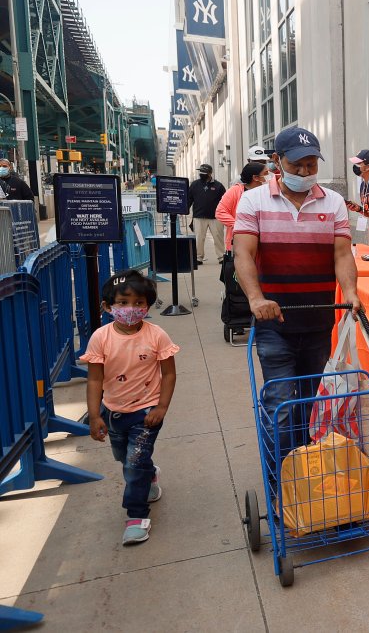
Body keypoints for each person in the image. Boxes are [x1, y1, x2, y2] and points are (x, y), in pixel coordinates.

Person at [233, 126, 361, 471]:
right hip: (273, 320)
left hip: (319, 319)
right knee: (281, 403)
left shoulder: (332, 202)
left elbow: (342, 255)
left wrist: (350, 293)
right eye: (296, 165)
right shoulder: (253, 200)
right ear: (277, 161)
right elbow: (242, 254)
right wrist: (256, 298)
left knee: (312, 402)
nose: (304, 173)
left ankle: (310, 477)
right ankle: (282, 483)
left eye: (311, 165)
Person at [82, 270, 180, 545]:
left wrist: (161, 407)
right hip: (113, 411)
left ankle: (137, 517)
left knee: (134, 464)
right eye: (124, 302)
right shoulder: (100, 338)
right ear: (107, 306)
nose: (131, 309)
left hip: (147, 413)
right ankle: (149, 475)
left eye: (139, 303)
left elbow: (169, 374)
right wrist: (94, 415)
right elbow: (95, 378)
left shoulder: (157, 335)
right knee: (125, 459)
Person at [216, 162, 268, 253]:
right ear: (255, 178)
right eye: (266, 174)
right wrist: (240, 225)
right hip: (241, 241)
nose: (269, 176)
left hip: (264, 241)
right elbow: (220, 212)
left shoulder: (267, 191)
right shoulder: (235, 191)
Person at [188, 164, 227, 264]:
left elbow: (225, 200)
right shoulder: (194, 185)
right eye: (200, 172)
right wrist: (185, 209)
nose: (202, 174)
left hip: (216, 217)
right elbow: (189, 199)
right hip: (199, 216)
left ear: (210, 173)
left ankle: (221, 257)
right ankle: (198, 258)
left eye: (204, 173)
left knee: (218, 237)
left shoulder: (218, 186)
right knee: (199, 238)